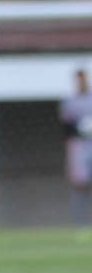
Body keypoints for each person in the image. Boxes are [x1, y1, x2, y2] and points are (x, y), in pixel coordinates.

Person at [59, 69, 92, 226]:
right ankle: (80, 223)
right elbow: (66, 127)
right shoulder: (70, 102)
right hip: (79, 146)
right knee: (80, 184)